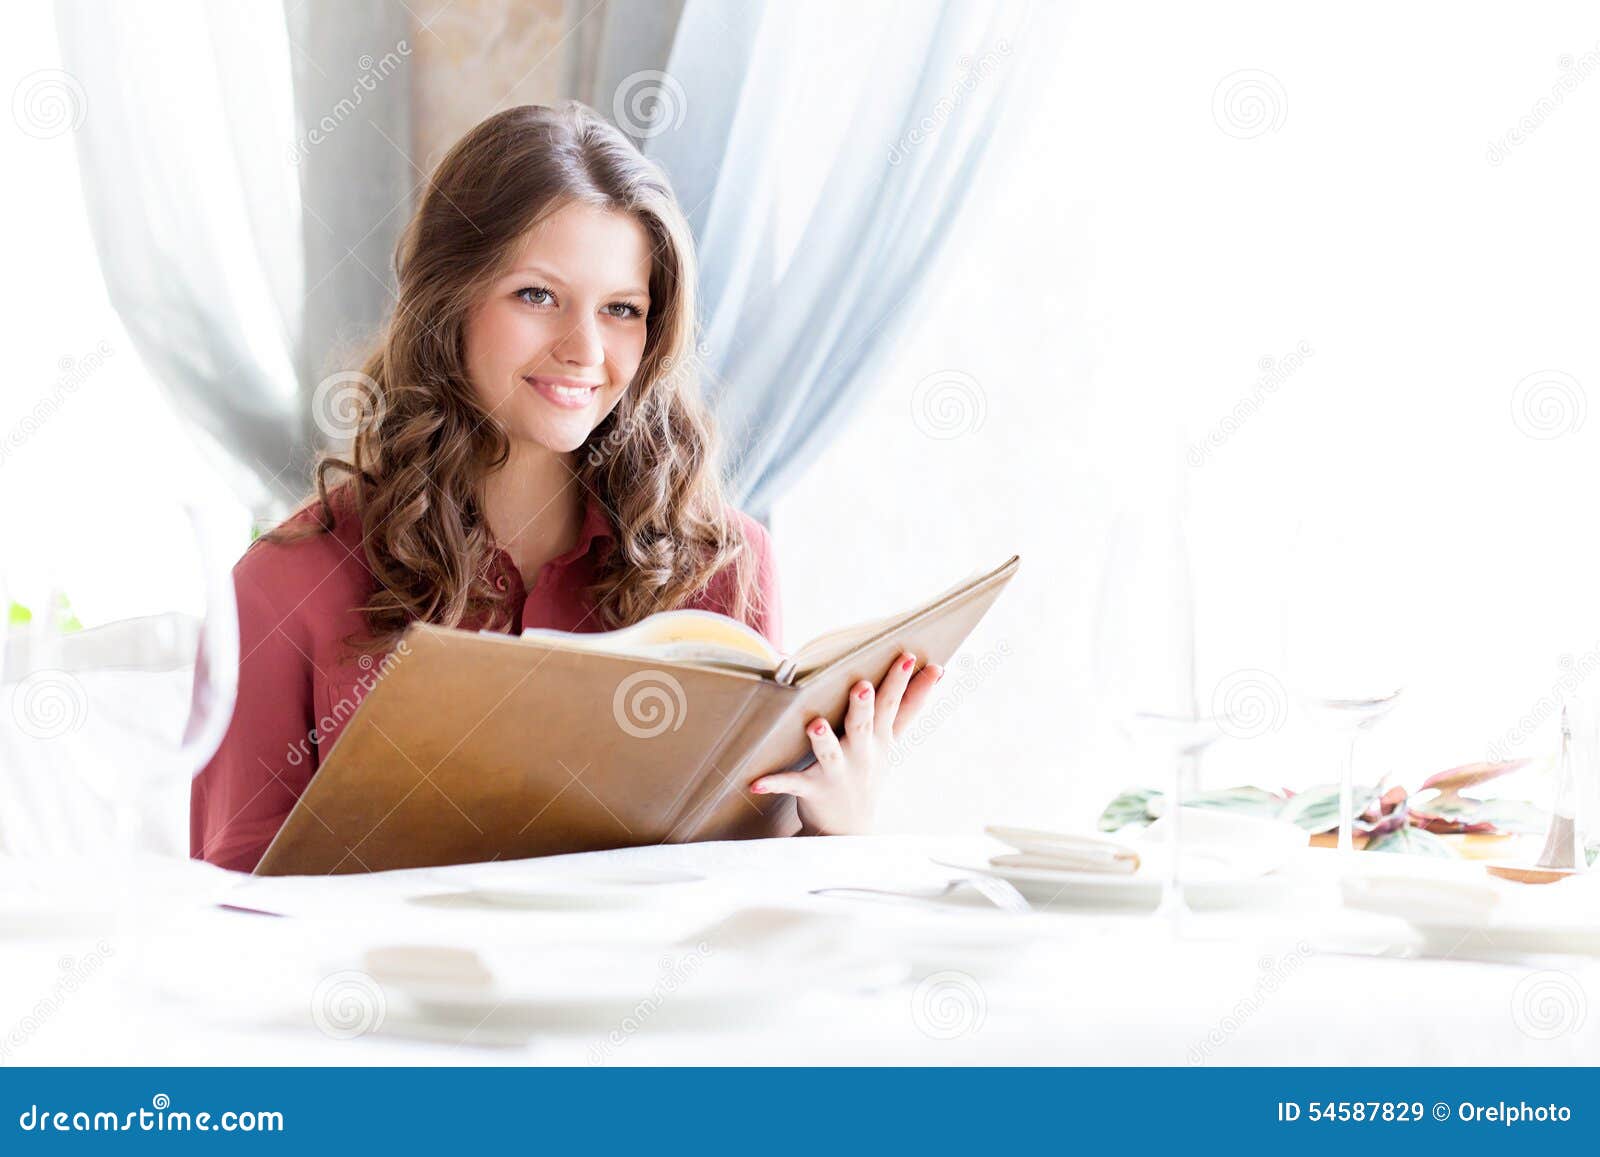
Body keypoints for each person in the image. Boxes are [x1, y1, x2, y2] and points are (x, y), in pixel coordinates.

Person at [190, 101, 944, 872]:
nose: (585, 350)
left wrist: (835, 831)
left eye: (622, 309)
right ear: (449, 302)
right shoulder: (283, 586)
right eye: (537, 296)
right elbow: (233, 921)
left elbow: (748, 906)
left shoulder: (724, 566)